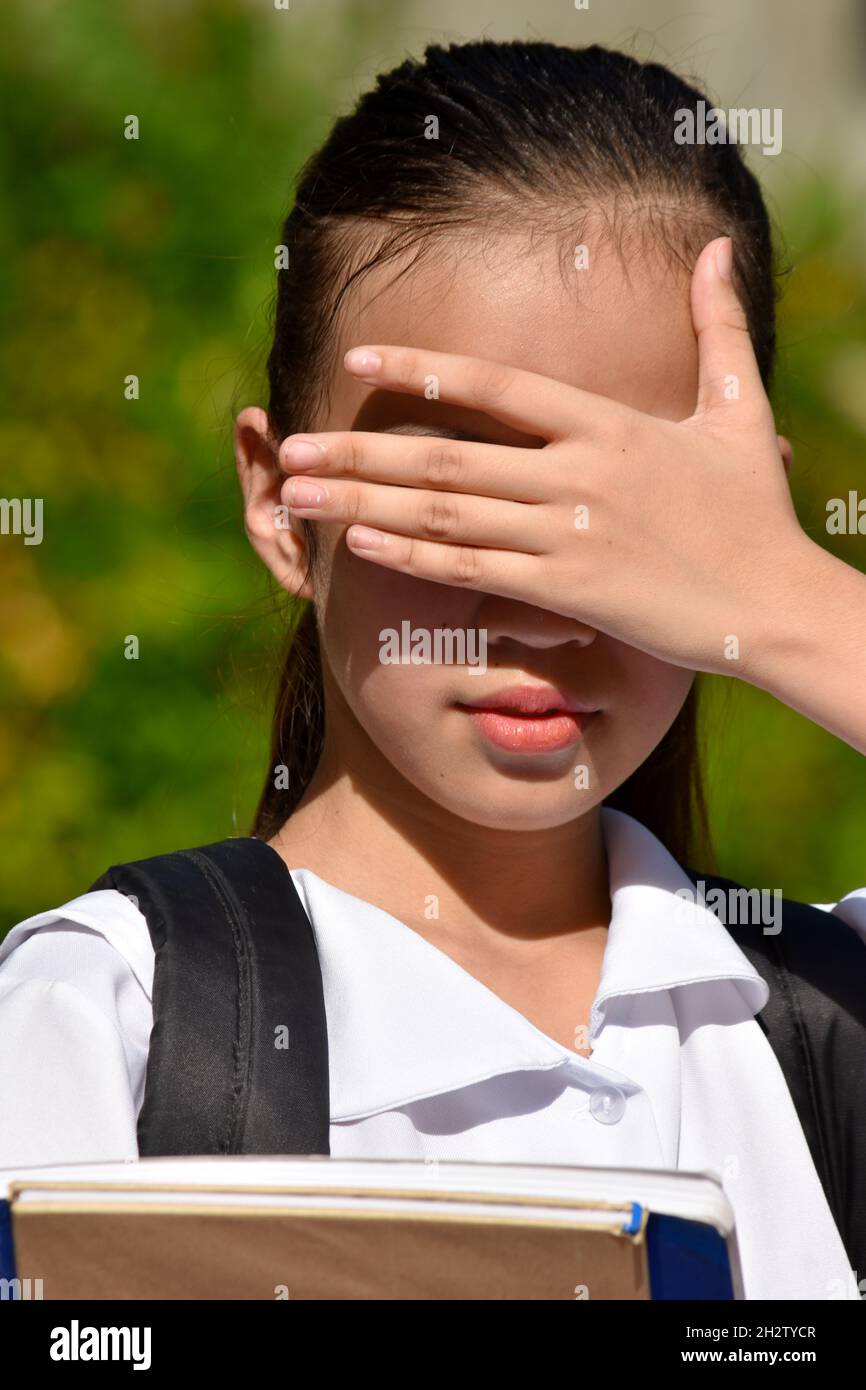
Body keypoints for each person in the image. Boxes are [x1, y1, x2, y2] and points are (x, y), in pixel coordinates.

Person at [2, 41, 865, 1301]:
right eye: (450, 492)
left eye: (626, 517)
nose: (544, 604)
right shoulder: (106, 1022)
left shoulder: (821, 1021)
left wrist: (786, 605)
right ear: (280, 499)